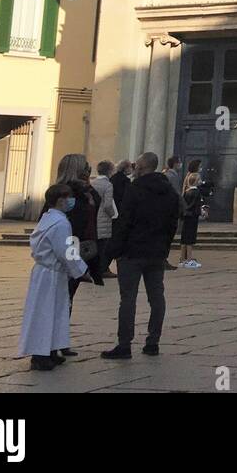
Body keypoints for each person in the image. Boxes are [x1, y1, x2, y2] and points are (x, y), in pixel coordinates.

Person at [102, 152, 180, 359]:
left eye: (136, 165)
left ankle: (124, 344)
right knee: (157, 297)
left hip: (132, 252)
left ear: (141, 168)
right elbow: (173, 223)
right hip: (156, 253)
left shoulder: (134, 190)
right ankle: (153, 342)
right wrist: (165, 247)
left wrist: (112, 252)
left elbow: (124, 222)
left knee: (127, 299)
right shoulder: (169, 192)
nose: (134, 168)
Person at [18, 183, 87, 371]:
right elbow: (65, 251)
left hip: (46, 272)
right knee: (47, 313)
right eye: (68, 197)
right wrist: (81, 270)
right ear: (60, 200)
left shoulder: (48, 219)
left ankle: (50, 349)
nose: (71, 201)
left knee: (53, 312)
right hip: (52, 274)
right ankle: (41, 354)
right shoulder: (61, 223)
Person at [56, 153, 103, 356]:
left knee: (69, 296)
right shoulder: (64, 193)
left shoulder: (85, 192)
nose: (88, 171)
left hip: (82, 248)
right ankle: (56, 342)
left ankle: (61, 340)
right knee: (63, 297)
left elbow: (97, 204)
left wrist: (87, 186)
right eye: (85, 167)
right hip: (69, 247)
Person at [91, 161, 119, 279]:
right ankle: (102, 269)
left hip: (93, 217)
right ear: (110, 171)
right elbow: (108, 205)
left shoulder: (92, 183)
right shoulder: (108, 185)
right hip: (104, 219)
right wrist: (113, 215)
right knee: (103, 247)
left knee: (96, 245)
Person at [178, 159, 204, 269]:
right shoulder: (196, 192)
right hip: (192, 216)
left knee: (185, 238)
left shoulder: (187, 190)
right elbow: (195, 204)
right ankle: (188, 260)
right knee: (190, 238)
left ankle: (183, 259)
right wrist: (201, 211)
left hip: (186, 215)